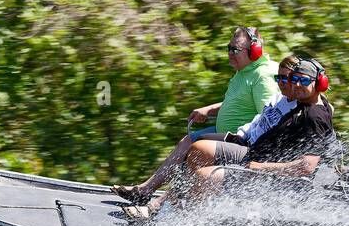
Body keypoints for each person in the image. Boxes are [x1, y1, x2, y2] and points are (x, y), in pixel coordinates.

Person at [124, 57, 336, 219]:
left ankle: (180, 221)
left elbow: (307, 167)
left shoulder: (314, 115)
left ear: (319, 83)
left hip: (270, 176)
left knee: (203, 176)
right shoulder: (302, 105)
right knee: (199, 151)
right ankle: (167, 209)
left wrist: (258, 167)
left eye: (303, 81)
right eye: (294, 80)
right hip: (257, 158)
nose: (296, 85)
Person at [113, 26, 278, 204]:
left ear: (254, 51)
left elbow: (268, 116)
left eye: (235, 49)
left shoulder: (262, 77)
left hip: (239, 139)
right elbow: (238, 102)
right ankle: (146, 190)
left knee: (196, 148)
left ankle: (161, 202)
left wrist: (243, 139)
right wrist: (210, 109)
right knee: (187, 141)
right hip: (225, 130)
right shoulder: (245, 71)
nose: (230, 53)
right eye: (228, 48)